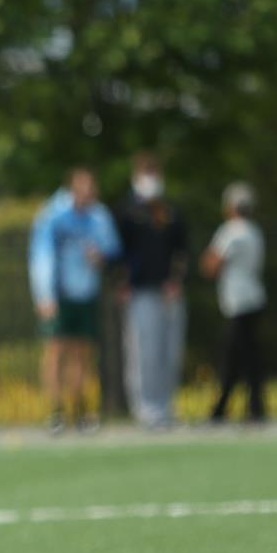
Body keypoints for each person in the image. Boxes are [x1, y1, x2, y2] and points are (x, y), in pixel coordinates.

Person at [29, 167, 121, 432]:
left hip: (86, 293)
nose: (87, 195)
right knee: (56, 351)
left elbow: (112, 248)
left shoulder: (99, 215)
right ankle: (56, 411)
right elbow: (41, 257)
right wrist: (45, 296)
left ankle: (81, 411)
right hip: (59, 294)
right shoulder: (53, 215)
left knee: (82, 354)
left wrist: (100, 255)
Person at [115, 153, 187, 429]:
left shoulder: (170, 212)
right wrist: (122, 284)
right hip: (140, 291)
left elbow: (181, 252)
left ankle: (166, 406)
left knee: (169, 350)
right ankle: (146, 408)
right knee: (143, 351)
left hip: (169, 293)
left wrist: (176, 280)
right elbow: (118, 253)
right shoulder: (127, 212)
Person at [201, 182, 266, 423]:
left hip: (237, 301)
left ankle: (221, 408)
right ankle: (255, 406)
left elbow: (211, 264)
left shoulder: (231, 231)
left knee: (232, 357)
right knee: (250, 356)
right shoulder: (255, 231)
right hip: (255, 297)